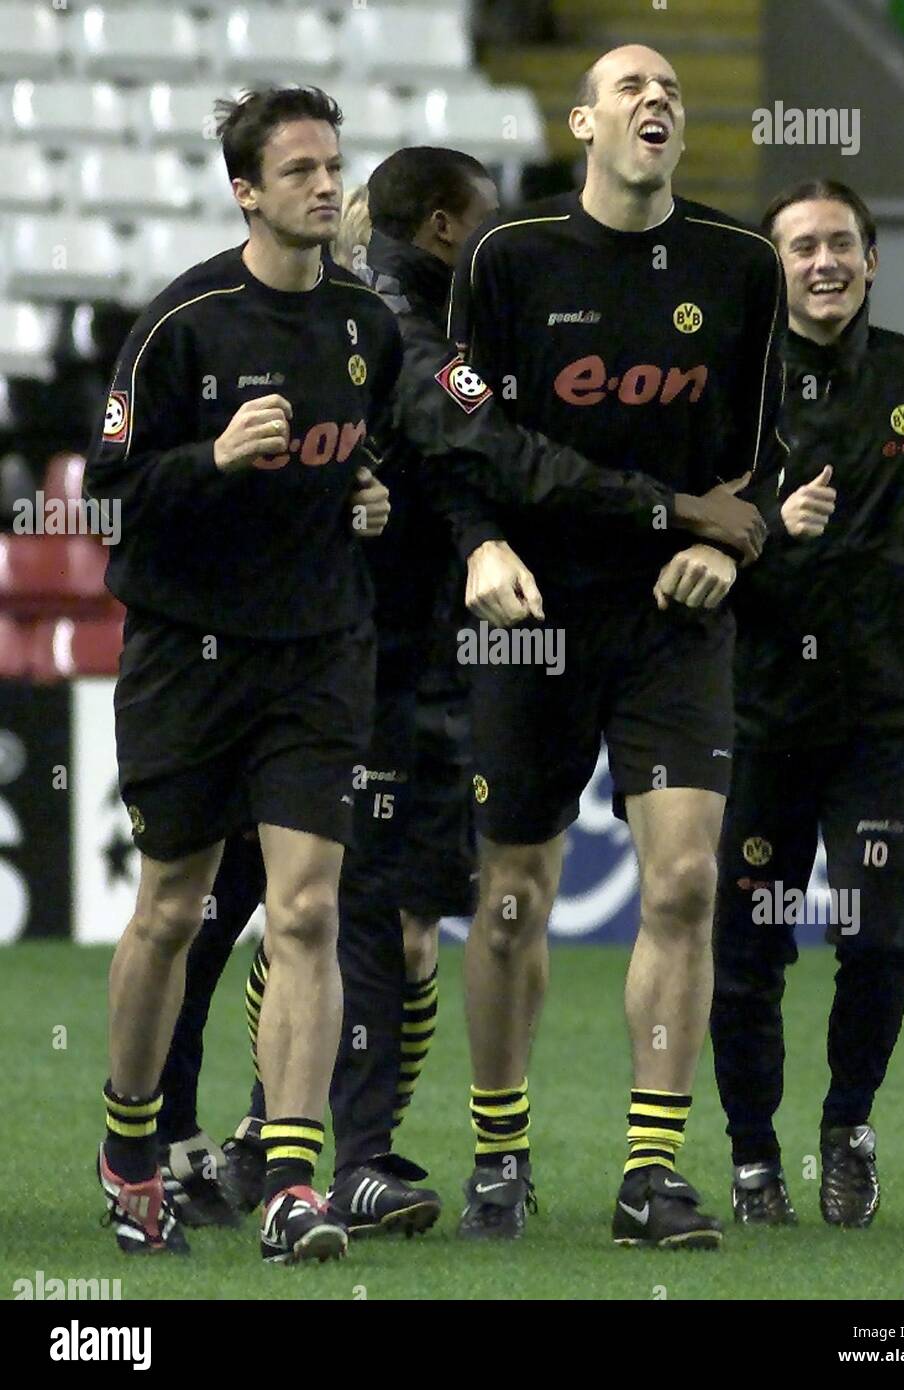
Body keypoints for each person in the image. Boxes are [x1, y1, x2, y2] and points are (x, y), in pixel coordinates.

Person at [153, 145, 746, 1237]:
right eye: (483, 224)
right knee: (313, 906)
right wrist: (670, 507)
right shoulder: (401, 321)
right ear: (441, 230)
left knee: (354, 911)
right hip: (339, 648)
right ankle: (309, 1144)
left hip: (385, 646)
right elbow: (480, 441)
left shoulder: (431, 312)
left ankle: (264, 1134)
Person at [445, 44, 785, 1247]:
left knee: (688, 881)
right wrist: (480, 546)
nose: (657, 99)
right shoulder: (507, 257)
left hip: (673, 618)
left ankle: (651, 1171)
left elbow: (766, 456)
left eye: (673, 92)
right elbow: (465, 434)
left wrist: (732, 550)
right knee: (509, 901)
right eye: (631, 86)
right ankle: (499, 1152)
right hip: (530, 614)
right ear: (583, 120)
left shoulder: (741, 267)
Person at [85, 85, 399, 1264]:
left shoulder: (369, 327)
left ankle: (292, 1181)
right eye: (302, 169)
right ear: (247, 192)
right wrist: (211, 458)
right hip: (187, 656)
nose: (327, 184)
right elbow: (103, 494)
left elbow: (366, 464)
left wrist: (369, 496)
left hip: (319, 652)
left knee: (306, 905)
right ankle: (130, 1153)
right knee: (172, 910)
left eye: (335, 165)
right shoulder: (183, 325)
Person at [710, 179, 904, 1228]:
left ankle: (847, 1126)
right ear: (772, 268)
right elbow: (685, 541)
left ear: (871, 260)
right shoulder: (734, 387)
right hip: (755, 714)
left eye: (841, 245)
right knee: (747, 953)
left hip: (882, 711)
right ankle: (750, 1158)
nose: (823, 262)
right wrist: (775, 527)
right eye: (800, 248)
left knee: (876, 941)